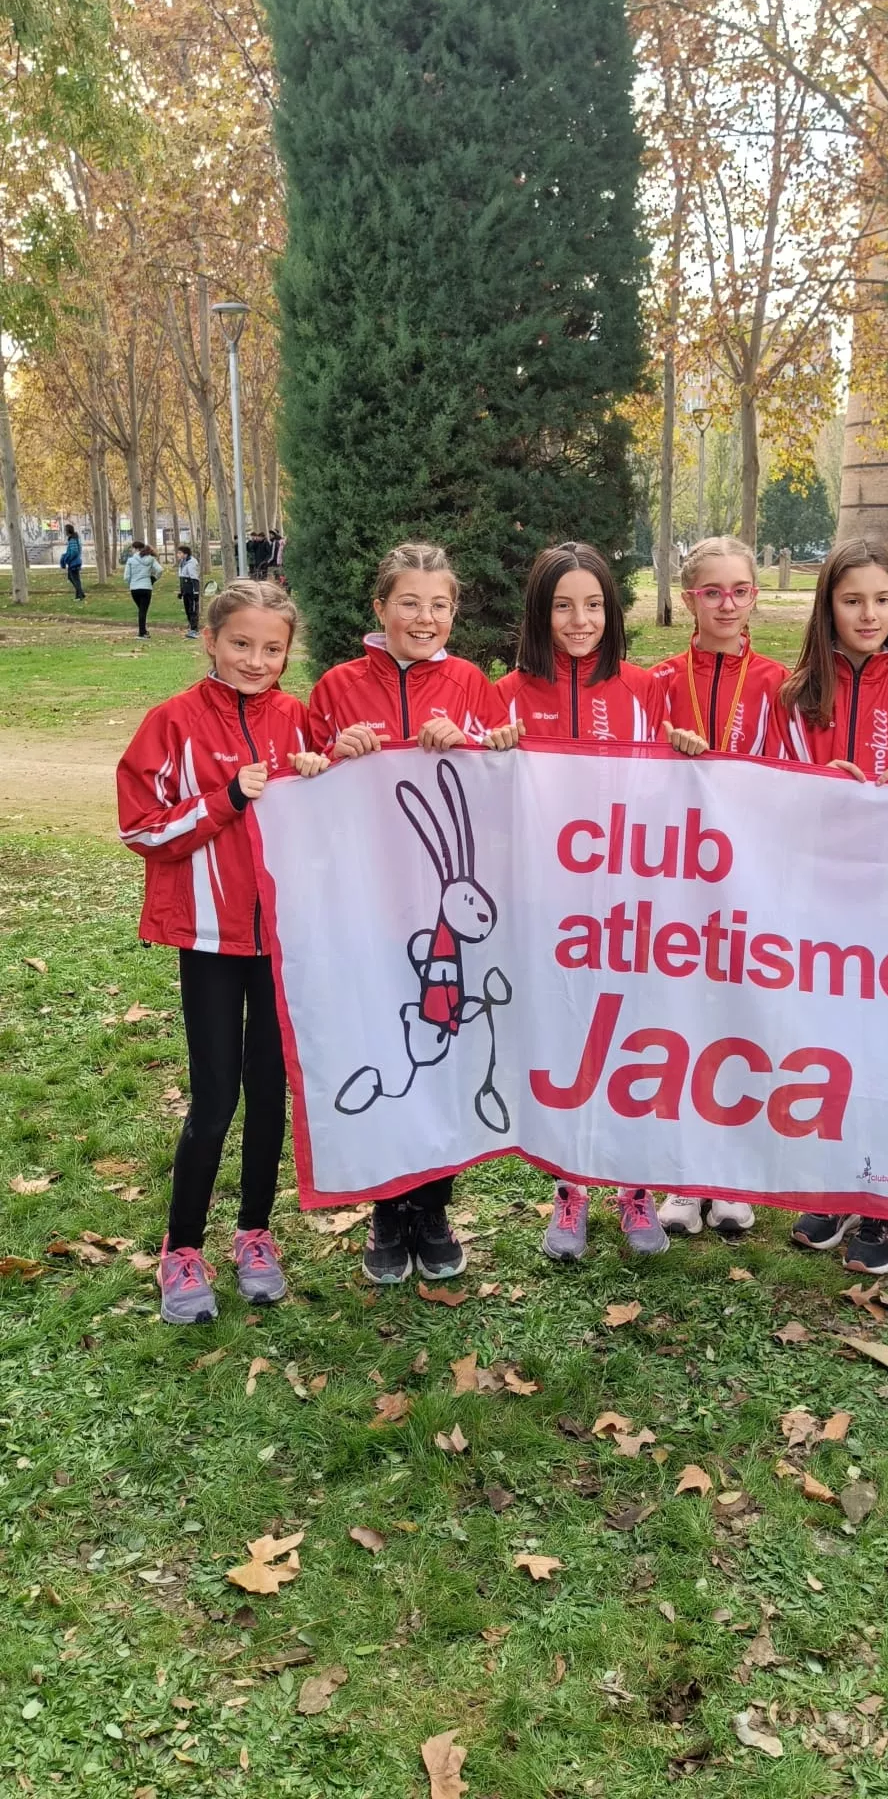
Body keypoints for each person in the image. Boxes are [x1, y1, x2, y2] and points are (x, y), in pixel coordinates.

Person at [116, 579, 330, 1324]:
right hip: (207, 938)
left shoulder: (298, 719)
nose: (256, 660)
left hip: (279, 940)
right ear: (210, 640)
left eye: (272, 649)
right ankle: (182, 1250)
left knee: (270, 1092)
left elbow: (335, 810)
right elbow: (140, 827)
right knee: (215, 1099)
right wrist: (227, 798)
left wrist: (330, 768)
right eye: (241, 644)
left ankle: (254, 1235)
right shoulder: (171, 723)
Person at [308, 541, 504, 1289]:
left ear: (454, 611)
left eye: (440, 604)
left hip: (443, 919)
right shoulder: (336, 685)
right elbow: (306, 786)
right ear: (380, 608)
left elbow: (500, 784)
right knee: (382, 1043)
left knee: (443, 1052)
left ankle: (435, 1207)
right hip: (364, 905)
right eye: (410, 602)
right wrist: (336, 750)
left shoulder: (470, 682)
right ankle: (389, 1209)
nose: (425, 617)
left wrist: (472, 744)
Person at [766, 537, 888, 1276]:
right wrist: (816, 792)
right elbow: (763, 798)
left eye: (882, 599)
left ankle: (886, 1204)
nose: (868, 614)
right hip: (820, 908)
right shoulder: (794, 695)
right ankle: (839, 1185)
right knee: (828, 1049)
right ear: (827, 606)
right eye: (852, 599)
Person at [491, 540, 671, 1264]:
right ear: (540, 611)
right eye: (563, 605)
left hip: (630, 910)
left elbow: (680, 798)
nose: (579, 619)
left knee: (631, 1044)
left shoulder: (647, 689)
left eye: (593, 604)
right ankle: (569, 1188)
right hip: (547, 912)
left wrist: (689, 760)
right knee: (565, 1043)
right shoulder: (505, 695)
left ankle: (634, 1185)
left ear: (612, 610)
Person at [649, 533, 790, 1240]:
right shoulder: (660, 680)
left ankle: (732, 1174)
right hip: (678, 879)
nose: (727, 603)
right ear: (689, 596)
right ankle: (682, 1175)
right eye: (712, 591)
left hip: (750, 880)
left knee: (739, 1022)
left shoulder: (778, 683)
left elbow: (800, 775)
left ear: (754, 596)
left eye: (739, 590)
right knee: (681, 1021)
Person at [123, 540, 162, 638]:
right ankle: (142, 632)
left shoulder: (131, 560)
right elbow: (160, 570)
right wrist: (154, 578)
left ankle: (142, 631)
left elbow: (126, 577)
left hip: (134, 589)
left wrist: (131, 583)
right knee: (143, 610)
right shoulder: (151, 559)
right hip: (146, 587)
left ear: (136, 549)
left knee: (141, 610)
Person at [177, 544, 201, 637]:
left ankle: (194, 630)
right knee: (187, 610)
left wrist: (196, 592)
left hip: (191, 589)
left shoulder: (192, 562)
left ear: (185, 554)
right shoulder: (182, 562)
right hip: (186, 590)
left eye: (180, 553)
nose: (178, 555)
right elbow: (182, 578)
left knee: (193, 609)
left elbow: (194, 578)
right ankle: (191, 627)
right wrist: (181, 591)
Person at [60, 524, 85, 602]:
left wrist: (67, 558)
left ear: (68, 531)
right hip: (75, 562)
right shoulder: (74, 538)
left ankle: (80, 595)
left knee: (74, 579)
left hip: (73, 563)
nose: (64, 532)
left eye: (65, 530)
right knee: (73, 578)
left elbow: (74, 551)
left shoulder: (72, 539)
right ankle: (80, 595)